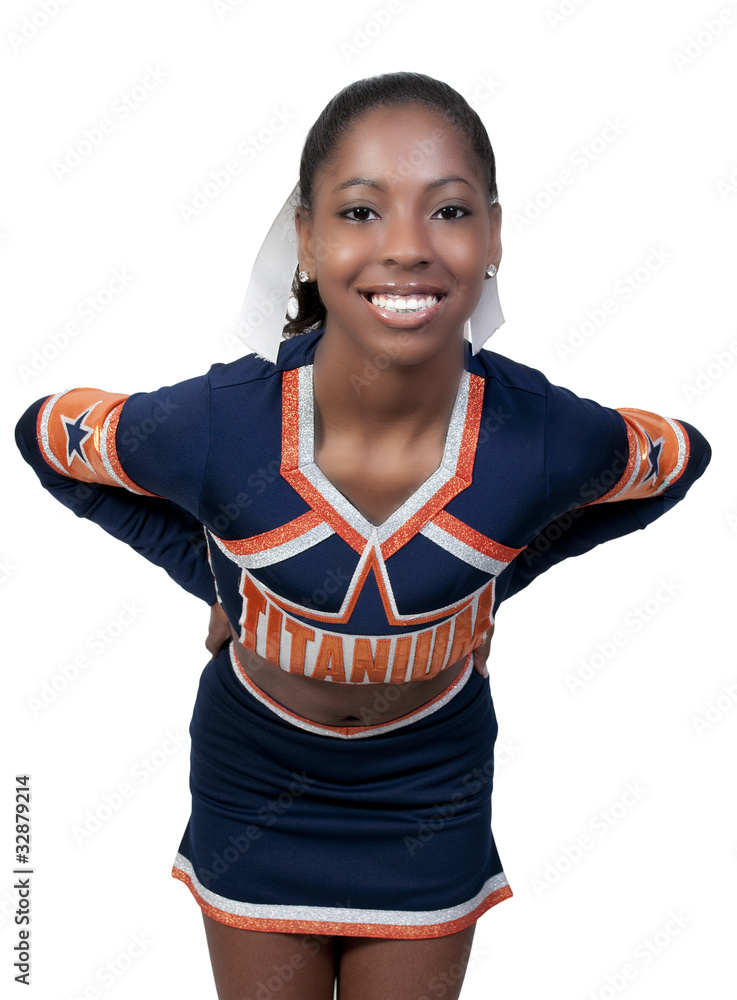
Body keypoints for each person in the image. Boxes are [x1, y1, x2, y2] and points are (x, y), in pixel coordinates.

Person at [15, 72, 711, 1000]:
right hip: (256, 778)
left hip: (431, 784)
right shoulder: (222, 423)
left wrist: (491, 578)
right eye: (359, 212)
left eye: (450, 210)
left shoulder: (543, 435)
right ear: (304, 238)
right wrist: (223, 583)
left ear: (495, 236)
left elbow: (678, 457)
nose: (407, 248)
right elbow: (46, 436)